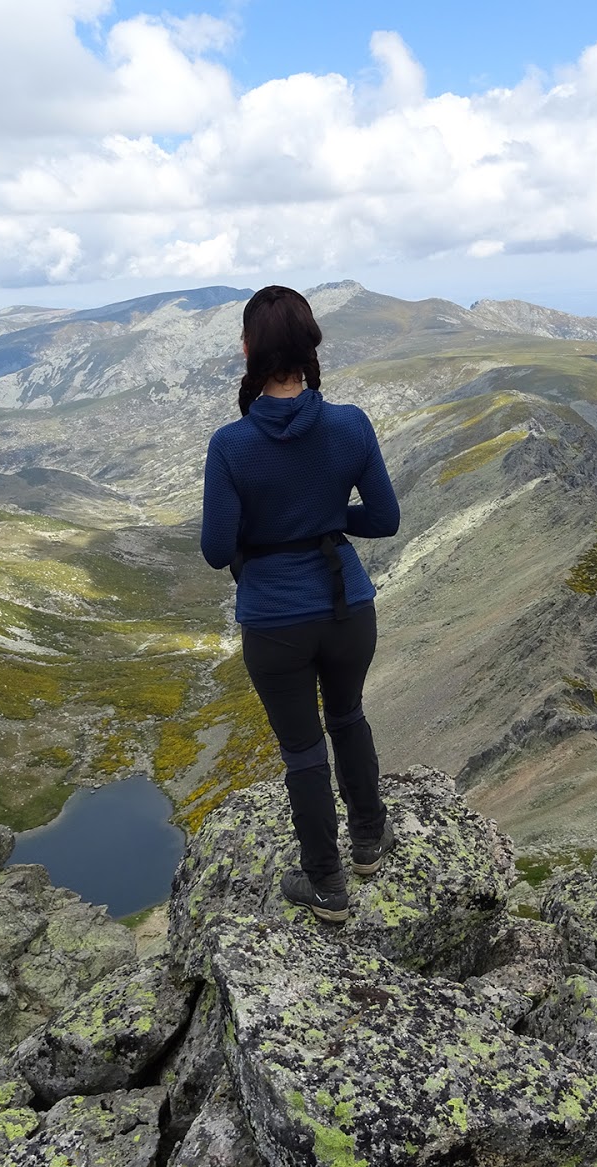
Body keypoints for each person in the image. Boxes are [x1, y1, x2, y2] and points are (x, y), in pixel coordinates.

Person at [200, 285, 402, 924]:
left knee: (303, 752)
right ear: (311, 343)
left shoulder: (231, 445)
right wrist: (324, 518)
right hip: (348, 607)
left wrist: (270, 533)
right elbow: (385, 518)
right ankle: (369, 840)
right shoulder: (351, 425)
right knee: (348, 717)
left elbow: (214, 550)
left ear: (248, 349)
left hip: (274, 618)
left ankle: (327, 885)